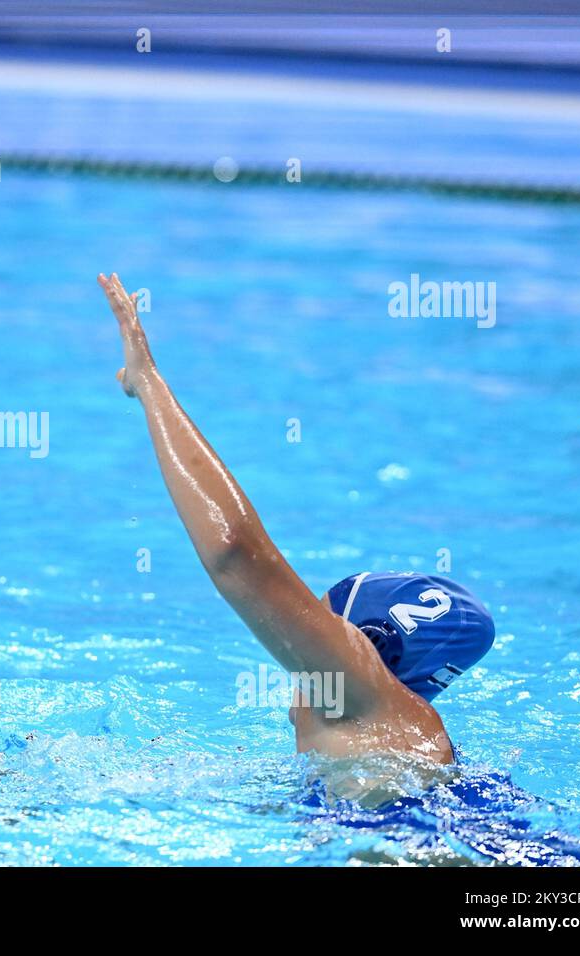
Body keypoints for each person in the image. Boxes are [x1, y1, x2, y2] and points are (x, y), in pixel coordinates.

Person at [97, 272, 495, 805]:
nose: (296, 631)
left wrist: (149, 385)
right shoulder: (380, 741)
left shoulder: (359, 700)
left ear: (364, 645)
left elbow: (238, 553)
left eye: (322, 620)